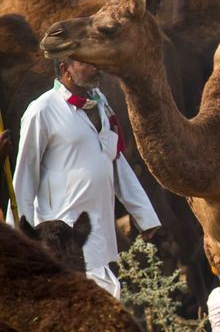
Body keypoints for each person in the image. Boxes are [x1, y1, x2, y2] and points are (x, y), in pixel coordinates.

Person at [8, 59, 160, 298]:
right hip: (63, 233)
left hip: (97, 227)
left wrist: (144, 215)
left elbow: (115, 160)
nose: (94, 67)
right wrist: (20, 242)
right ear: (65, 69)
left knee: (103, 295)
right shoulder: (42, 110)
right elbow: (25, 175)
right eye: (85, 62)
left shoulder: (100, 104)